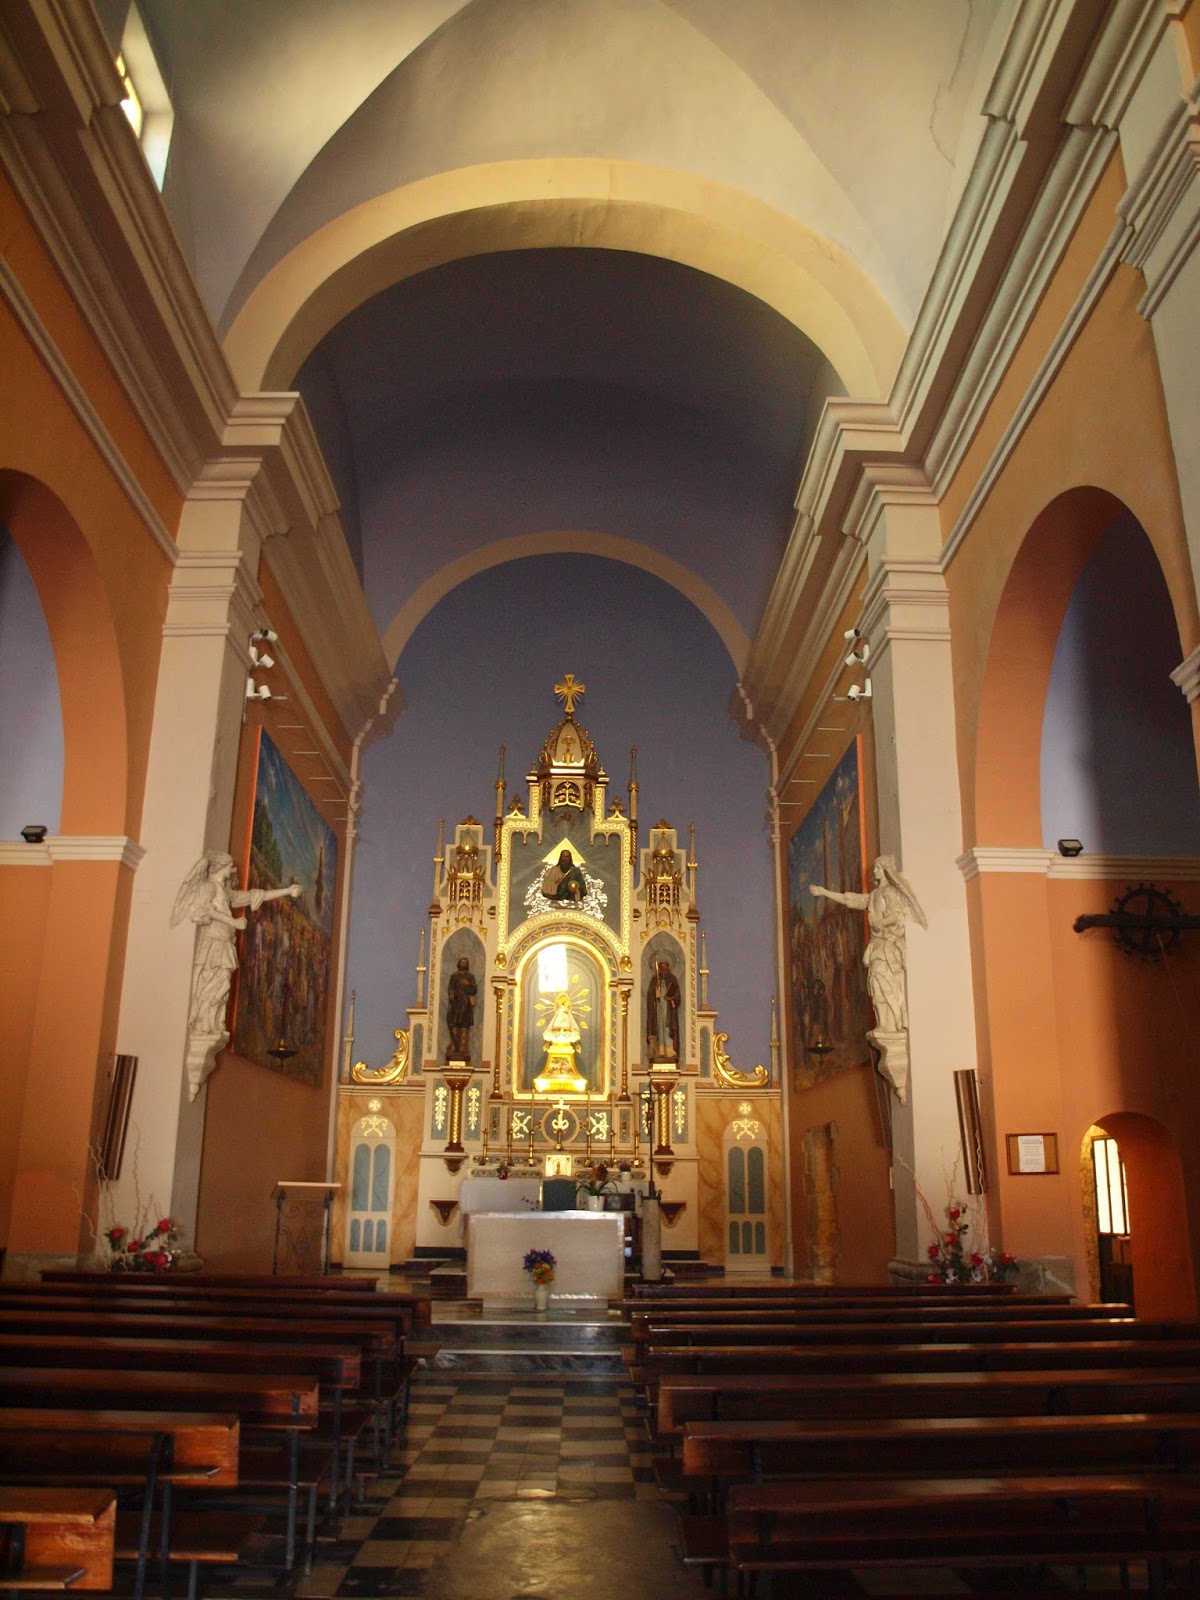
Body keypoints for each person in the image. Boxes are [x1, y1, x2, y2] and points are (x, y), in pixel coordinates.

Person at [171, 852, 301, 1038]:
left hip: (224, 942)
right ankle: (205, 1021)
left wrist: (287, 891)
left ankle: (213, 1021)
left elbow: (255, 896)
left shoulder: (226, 892)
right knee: (215, 983)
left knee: (222, 985)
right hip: (214, 942)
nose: (233, 870)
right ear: (221, 866)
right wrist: (233, 922)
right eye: (230, 866)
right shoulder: (208, 887)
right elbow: (202, 911)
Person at [809, 854, 926, 1035]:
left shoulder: (890, 892)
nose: (874, 871)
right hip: (877, 945)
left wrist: (883, 923)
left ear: (886, 870)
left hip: (886, 945)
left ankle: (893, 1023)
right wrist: (824, 892)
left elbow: (897, 914)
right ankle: (884, 1025)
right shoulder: (874, 895)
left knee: (883, 980)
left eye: (878, 868)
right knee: (875, 983)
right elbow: (852, 900)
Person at [645, 956, 681, 1060]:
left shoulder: (672, 979)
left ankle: (670, 1050)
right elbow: (649, 994)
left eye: (665, 967)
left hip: (669, 1009)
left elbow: (677, 995)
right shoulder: (655, 979)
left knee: (667, 1027)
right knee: (659, 1027)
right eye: (662, 967)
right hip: (658, 1009)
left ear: (668, 967)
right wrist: (656, 990)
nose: (664, 969)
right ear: (659, 968)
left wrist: (671, 998)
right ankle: (660, 1050)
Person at [446, 956, 477, 1060]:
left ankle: (463, 1049)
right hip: (456, 1003)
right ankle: (454, 1047)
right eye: (462, 962)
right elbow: (450, 987)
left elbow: (474, 989)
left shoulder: (470, 976)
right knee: (454, 1024)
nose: (463, 964)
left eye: (465, 962)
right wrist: (451, 994)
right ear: (459, 964)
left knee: (464, 1026)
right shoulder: (454, 976)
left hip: (466, 1004)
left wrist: (467, 985)